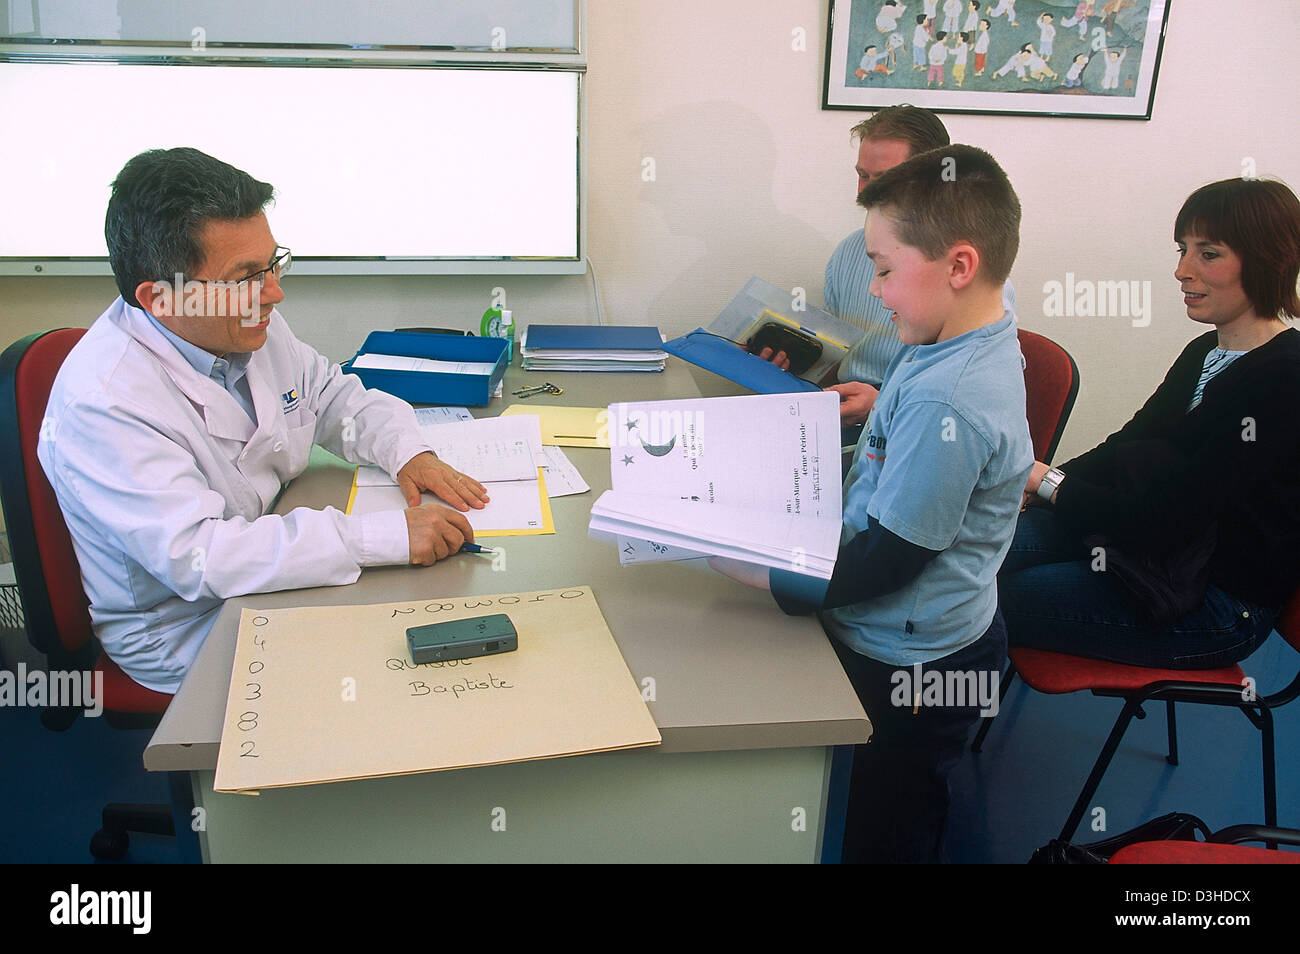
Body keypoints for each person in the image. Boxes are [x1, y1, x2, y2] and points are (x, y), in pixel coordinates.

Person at [39, 147, 490, 694]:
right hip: (190, 624)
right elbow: (201, 558)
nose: (275, 292)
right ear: (158, 298)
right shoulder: (103, 404)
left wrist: (407, 451)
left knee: (424, 616)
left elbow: (330, 395)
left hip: (271, 552)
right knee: (394, 662)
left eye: (273, 263)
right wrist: (381, 537)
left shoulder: (241, 321)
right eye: (247, 276)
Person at [713, 144, 1032, 862]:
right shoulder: (961, 336)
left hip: (912, 666)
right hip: (943, 637)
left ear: (959, 266)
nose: (877, 292)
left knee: (886, 822)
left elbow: (889, 561)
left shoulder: (951, 394)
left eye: (885, 270)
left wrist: (759, 570)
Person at [999, 177, 1300, 670]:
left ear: (1268, 259)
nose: (1181, 270)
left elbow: (1170, 520)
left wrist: (1051, 485)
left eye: (1208, 254)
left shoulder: (1284, 380)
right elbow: (1130, 442)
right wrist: (1044, 484)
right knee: (973, 558)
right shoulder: (1207, 350)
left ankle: (919, 731)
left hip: (1212, 602)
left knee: (980, 593)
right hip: (1148, 553)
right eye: (1183, 250)